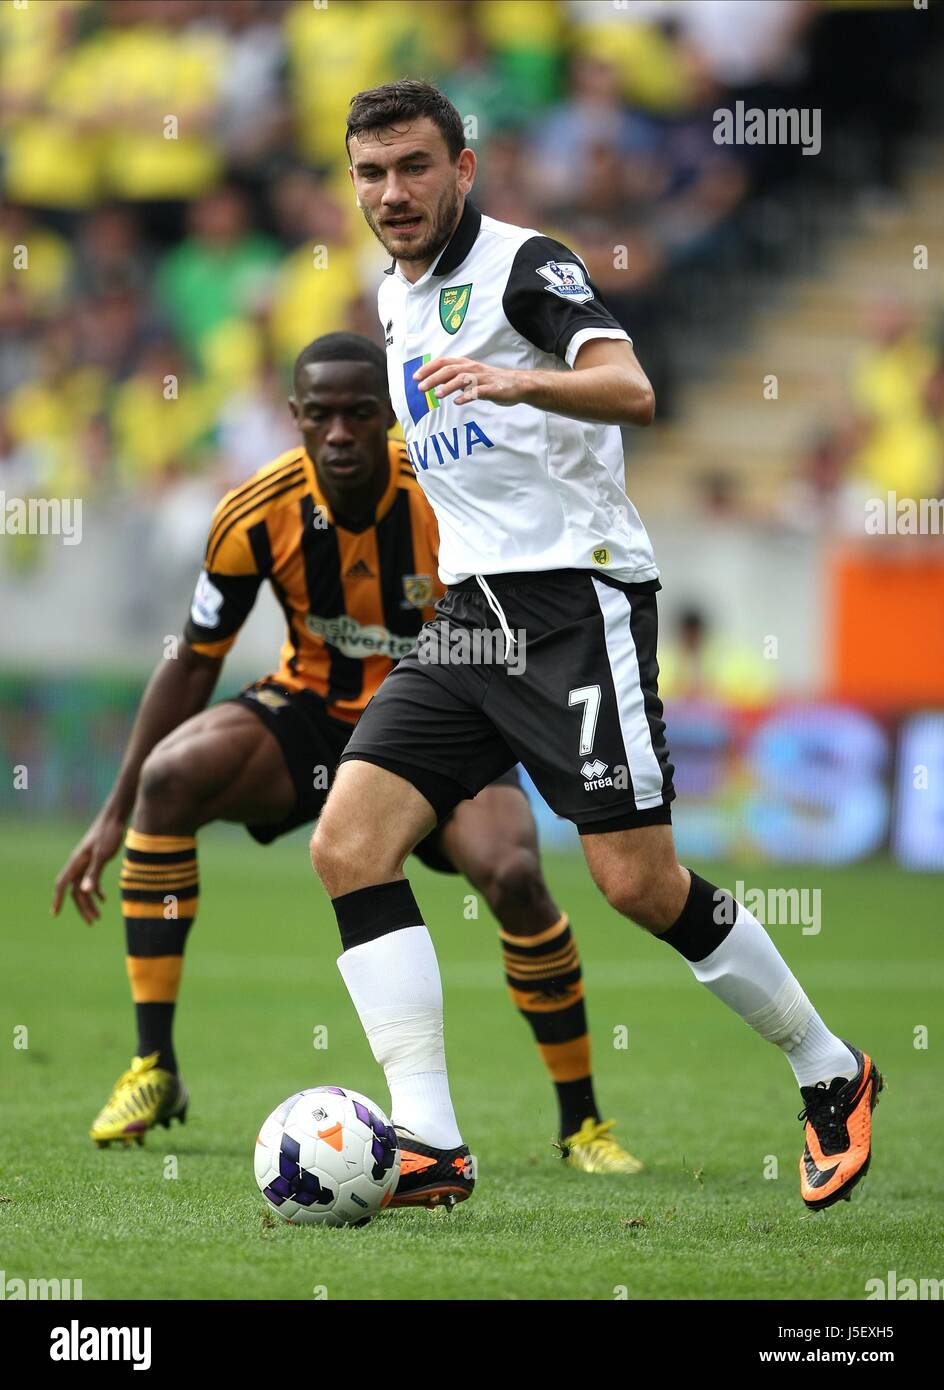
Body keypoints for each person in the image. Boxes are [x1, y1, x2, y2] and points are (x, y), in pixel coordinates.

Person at [307, 79, 882, 1213]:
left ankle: (830, 1070)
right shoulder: (392, 296)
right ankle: (427, 1139)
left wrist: (519, 376)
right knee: (347, 843)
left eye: (414, 167)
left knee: (635, 881)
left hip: (577, 607)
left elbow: (633, 387)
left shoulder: (526, 265)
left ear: (462, 167)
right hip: (471, 620)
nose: (392, 193)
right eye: (371, 173)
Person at [52, 332, 644, 1189]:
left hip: (445, 724)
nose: (339, 433)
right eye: (319, 415)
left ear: (389, 416)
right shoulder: (253, 513)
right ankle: (153, 1070)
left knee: (513, 872)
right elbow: (192, 658)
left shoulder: (445, 495)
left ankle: (582, 1120)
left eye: (360, 413)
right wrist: (112, 816)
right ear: (293, 418)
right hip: (315, 717)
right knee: (169, 781)